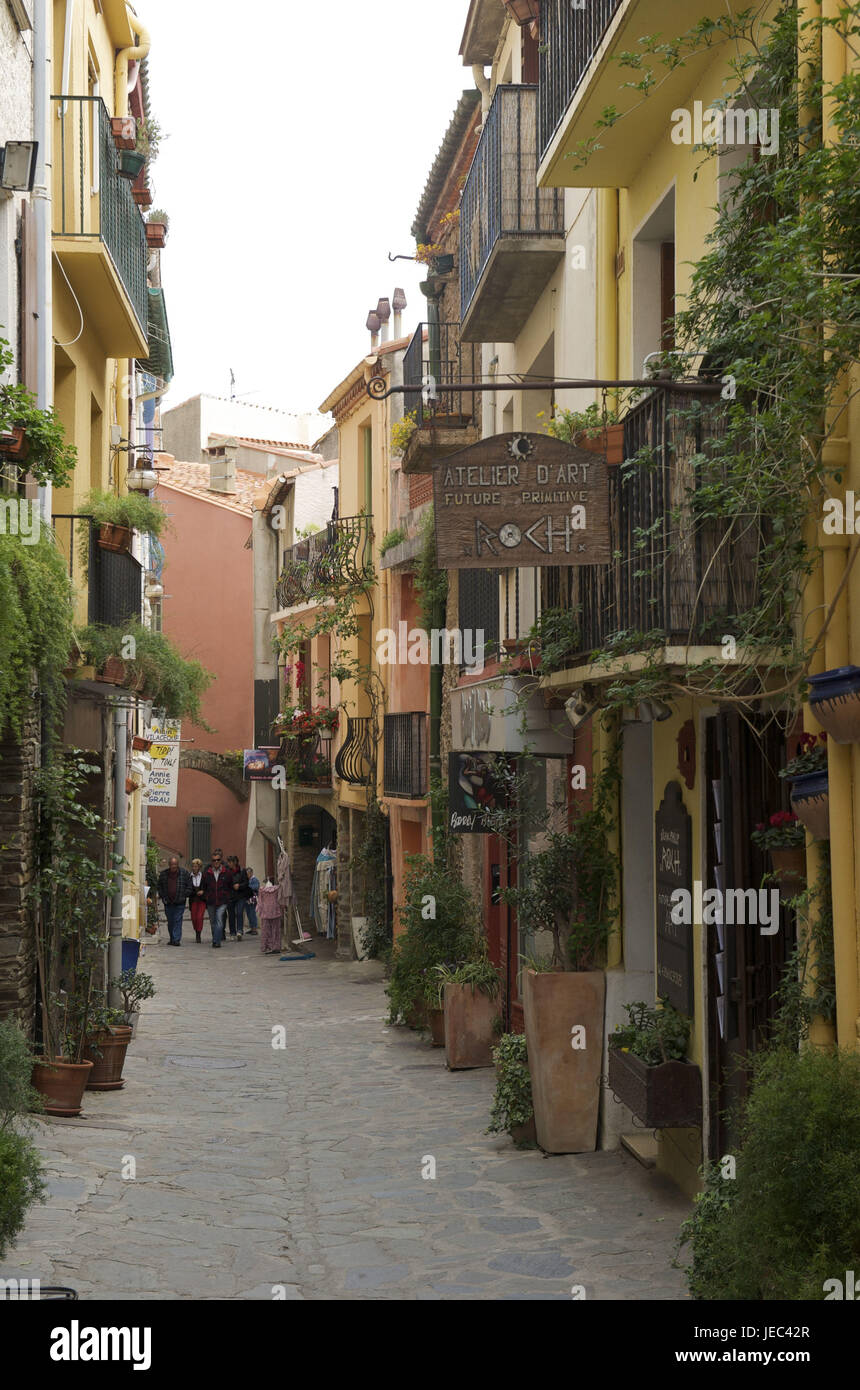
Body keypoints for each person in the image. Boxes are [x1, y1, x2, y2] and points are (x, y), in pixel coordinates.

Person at [157, 856, 192, 946]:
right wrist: (162, 895)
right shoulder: (164, 874)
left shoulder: (184, 873)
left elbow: (189, 885)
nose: (174, 866)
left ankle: (176, 939)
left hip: (180, 902)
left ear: (178, 864)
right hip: (168, 902)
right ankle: (172, 938)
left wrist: (185, 894)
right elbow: (159, 886)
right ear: (169, 865)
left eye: (175, 865)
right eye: (172, 865)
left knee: (177, 920)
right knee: (170, 921)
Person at [202, 849, 231, 948]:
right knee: (213, 922)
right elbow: (204, 886)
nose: (216, 862)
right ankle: (216, 939)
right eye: (214, 860)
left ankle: (216, 941)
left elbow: (230, 885)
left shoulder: (226, 872)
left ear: (221, 860)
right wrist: (206, 895)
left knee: (219, 920)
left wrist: (227, 895)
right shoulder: (207, 873)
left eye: (218, 860)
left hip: (222, 901)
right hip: (211, 901)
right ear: (211, 861)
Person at [235, 866, 260, 937]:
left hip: (252, 899)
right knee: (249, 914)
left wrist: (247, 886)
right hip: (247, 899)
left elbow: (255, 887)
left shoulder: (254, 880)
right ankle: (252, 928)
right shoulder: (247, 880)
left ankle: (254, 929)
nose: (247, 875)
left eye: (248, 874)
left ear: (251, 873)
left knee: (252, 913)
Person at [189, 859, 207, 943]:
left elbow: (207, 887)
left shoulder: (203, 876)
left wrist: (203, 891)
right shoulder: (189, 877)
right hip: (193, 900)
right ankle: (196, 930)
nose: (194, 868)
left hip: (202, 900)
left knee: (199, 917)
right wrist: (194, 892)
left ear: (199, 867)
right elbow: (188, 889)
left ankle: (198, 934)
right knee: (194, 918)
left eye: (196, 866)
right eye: (193, 866)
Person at [225, 855, 242, 939]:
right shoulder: (227, 872)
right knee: (231, 915)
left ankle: (239, 931)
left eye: (230, 862)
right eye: (228, 862)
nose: (228, 864)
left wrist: (239, 886)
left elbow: (245, 883)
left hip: (239, 896)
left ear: (235, 862)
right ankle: (232, 932)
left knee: (239, 913)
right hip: (230, 896)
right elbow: (225, 883)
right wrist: (232, 886)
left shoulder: (241, 871)